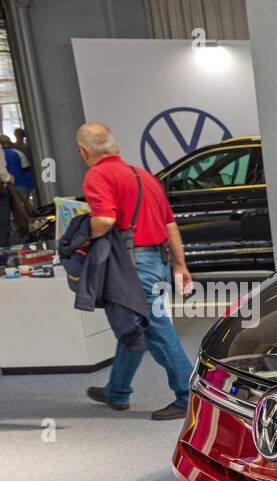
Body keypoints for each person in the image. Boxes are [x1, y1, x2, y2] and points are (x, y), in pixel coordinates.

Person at [76, 123, 194, 420]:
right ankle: (117, 390)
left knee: (157, 329)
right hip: (157, 260)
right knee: (135, 324)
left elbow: (103, 219)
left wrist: (77, 232)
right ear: (115, 147)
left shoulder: (97, 175)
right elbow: (170, 225)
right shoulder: (144, 177)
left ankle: (189, 395)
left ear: (84, 152)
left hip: (132, 266)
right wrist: (180, 265)